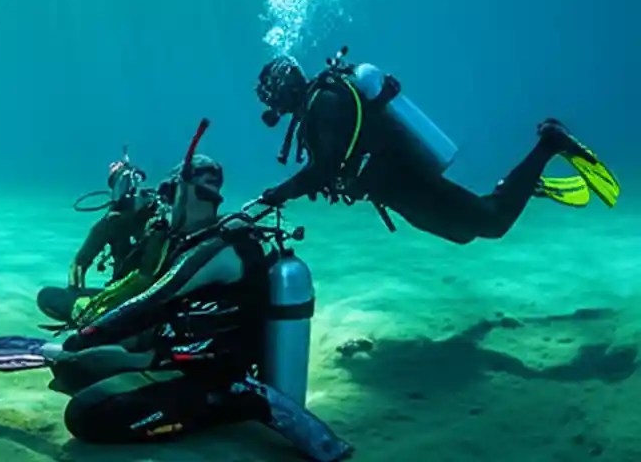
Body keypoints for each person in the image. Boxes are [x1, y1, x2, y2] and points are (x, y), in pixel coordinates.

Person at [47, 126, 353, 461]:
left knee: (83, 415)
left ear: (183, 192)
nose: (167, 204)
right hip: (177, 356)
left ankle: (230, 406)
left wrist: (84, 338)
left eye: (171, 194)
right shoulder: (198, 239)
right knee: (73, 372)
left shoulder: (216, 248)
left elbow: (150, 301)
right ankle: (165, 386)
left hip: (214, 378)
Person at [254, 48, 620, 244]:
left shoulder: (325, 104)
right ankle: (522, 187)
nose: (272, 105)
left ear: (284, 88)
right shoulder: (319, 106)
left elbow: (324, 168)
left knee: (491, 225)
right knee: (462, 233)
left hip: (402, 178)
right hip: (392, 187)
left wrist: (279, 194)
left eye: (271, 95)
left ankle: (549, 143)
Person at [37, 150, 165, 324]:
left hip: (122, 304)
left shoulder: (113, 222)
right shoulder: (163, 218)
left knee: (47, 296)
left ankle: (95, 325)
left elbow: (79, 264)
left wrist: (76, 298)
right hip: (159, 302)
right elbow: (79, 264)